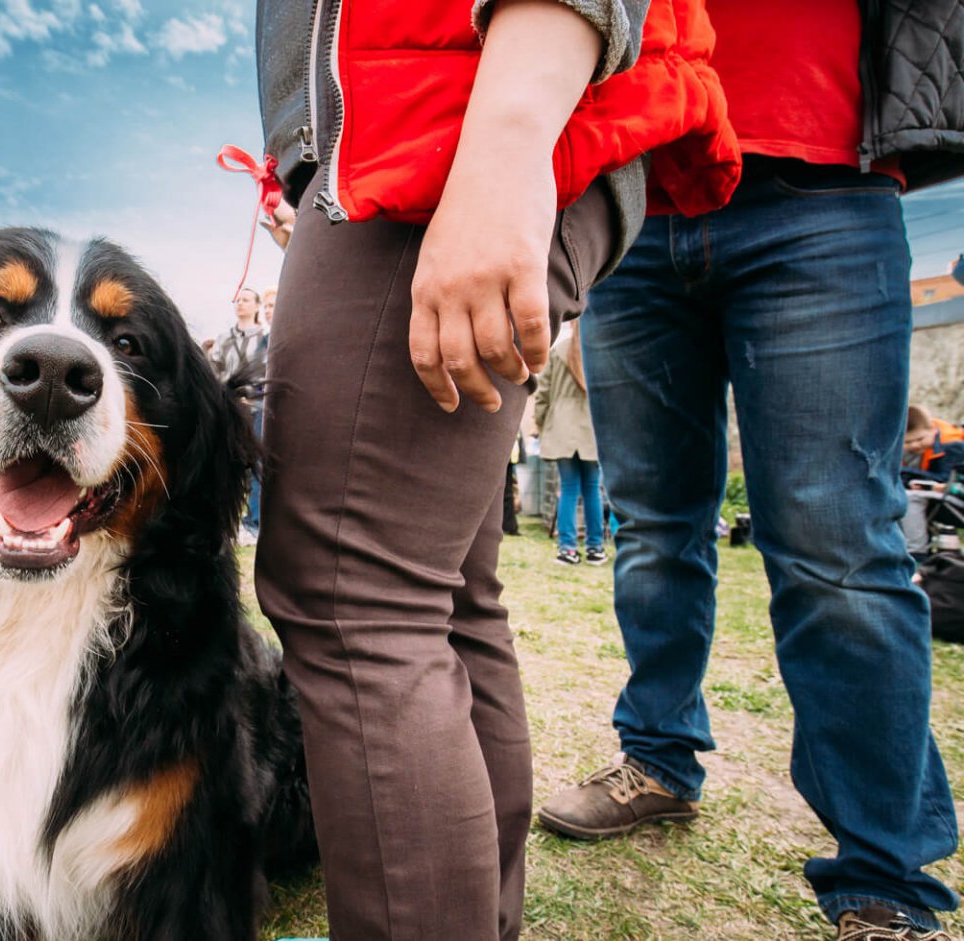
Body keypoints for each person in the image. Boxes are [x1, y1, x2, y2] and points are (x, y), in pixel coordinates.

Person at [253, 0, 736, 937]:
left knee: (359, 598)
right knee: (439, 596)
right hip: (438, 122)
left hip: (448, 117)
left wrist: (508, 140)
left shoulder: (475, 129)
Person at [536, 5, 964, 938]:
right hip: (635, 203)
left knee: (838, 541)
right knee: (650, 525)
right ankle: (658, 757)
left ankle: (884, 875)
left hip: (825, 186)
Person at [533, 322, 604, 565]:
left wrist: (541, 426)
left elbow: (543, 394)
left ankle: (567, 549)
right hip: (592, 428)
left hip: (561, 428)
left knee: (569, 489)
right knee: (592, 488)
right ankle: (595, 548)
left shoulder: (557, 350)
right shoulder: (599, 350)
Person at [209, 286, 269, 544]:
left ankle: (252, 523)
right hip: (229, 409)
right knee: (225, 465)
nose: (240, 304)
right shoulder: (224, 339)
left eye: (245, 300)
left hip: (258, 408)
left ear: (256, 306)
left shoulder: (266, 339)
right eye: (237, 300)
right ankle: (224, 524)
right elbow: (214, 370)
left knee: (256, 465)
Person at [905, 404, 964, 483]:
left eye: (920, 439)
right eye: (907, 442)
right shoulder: (924, 444)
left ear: (933, 429)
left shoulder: (954, 446)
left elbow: (945, 479)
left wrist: (906, 471)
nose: (914, 445)